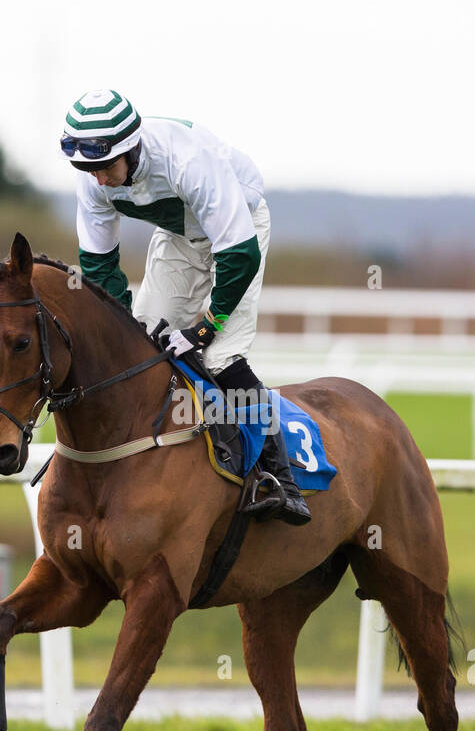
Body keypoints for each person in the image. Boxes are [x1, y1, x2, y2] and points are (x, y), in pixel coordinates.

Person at [60, 89, 310, 526]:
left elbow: (240, 255)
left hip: (241, 233)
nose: (97, 178)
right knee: (139, 343)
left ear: (131, 148)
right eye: (86, 168)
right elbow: (99, 268)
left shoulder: (189, 160)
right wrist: (118, 330)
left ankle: (280, 478)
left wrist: (204, 328)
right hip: (180, 235)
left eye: (103, 166)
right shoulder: (95, 179)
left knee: (219, 356)